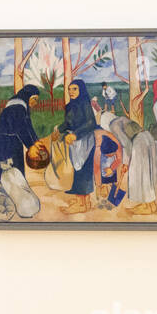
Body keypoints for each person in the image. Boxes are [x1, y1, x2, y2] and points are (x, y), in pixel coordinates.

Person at [58, 79, 98, 214]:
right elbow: (68, 122)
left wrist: (76, 135)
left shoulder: (85, 104)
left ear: (81, 90)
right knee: (77, 169)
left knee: (84, 171)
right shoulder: (69, 106)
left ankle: (82, 204)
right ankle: (84, 201)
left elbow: (91, 123)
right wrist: (58, 129)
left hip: (85, 141)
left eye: (74, 89)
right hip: (74, 143)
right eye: (69, 89)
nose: (71, 92)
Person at [106, 113, 157, 214]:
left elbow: (127, 144)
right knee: (148, 173)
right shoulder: (123, 119)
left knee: (140, 175)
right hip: (148, 137)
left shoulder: (114, 126)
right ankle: (151, 204)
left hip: (139, 143)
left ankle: (147, 207)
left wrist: (125, 163)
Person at [0, 83, 41, 184]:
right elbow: (22, 128)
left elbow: (28, 125)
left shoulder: (20, 106)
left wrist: (35, 141)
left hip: (12, 140)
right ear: (28, 97)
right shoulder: (17, 106)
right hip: (8, 142)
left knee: (13, 172)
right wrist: (30, 146)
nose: (36, 103)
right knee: (11, 171)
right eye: (35, 99)